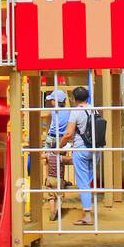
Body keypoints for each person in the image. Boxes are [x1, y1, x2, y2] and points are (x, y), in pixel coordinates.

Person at [58, 85, 95, 226]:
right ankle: (87, 208)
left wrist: (59, 146)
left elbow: (68, 133)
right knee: (88, 181)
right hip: (95, 149)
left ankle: (87, 215)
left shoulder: (75, 112)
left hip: (81, 149)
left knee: (83, 182)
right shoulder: (94, 109)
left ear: (73, 99)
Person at [44, 89, 70, 221]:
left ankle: (48, 178)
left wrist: (47, 135)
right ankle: (60, 179)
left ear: (55, 101)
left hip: (51, 137)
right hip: (62, 139)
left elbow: (49, 125)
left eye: (52, 100)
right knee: (61, 161)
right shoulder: (69, 111)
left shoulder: (53, 112)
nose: (50, 102)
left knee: (47, 160)